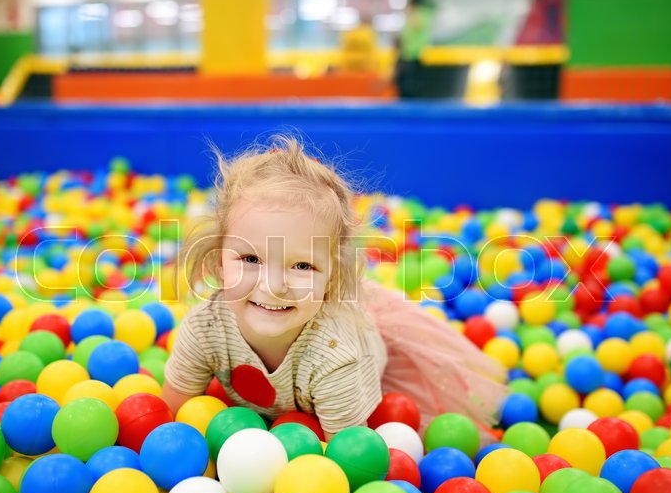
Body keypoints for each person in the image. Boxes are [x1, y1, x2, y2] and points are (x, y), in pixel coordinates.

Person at [162, 135, 507, 441]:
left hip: (358, 354)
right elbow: (169, 421)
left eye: (302, 266)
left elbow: (347, 459)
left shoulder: (336, 358)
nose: (274, 286)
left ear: (331, 279)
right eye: (251, 259)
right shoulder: (204, 329)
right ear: (219, 263)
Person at [395, 0, 435, 98]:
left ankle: (410, 99)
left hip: (414, 54)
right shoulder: (417, 15)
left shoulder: (420, 14)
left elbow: (418, 25)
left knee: (411, 83)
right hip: (407, 53)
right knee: (404, 82)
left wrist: (411, 13)